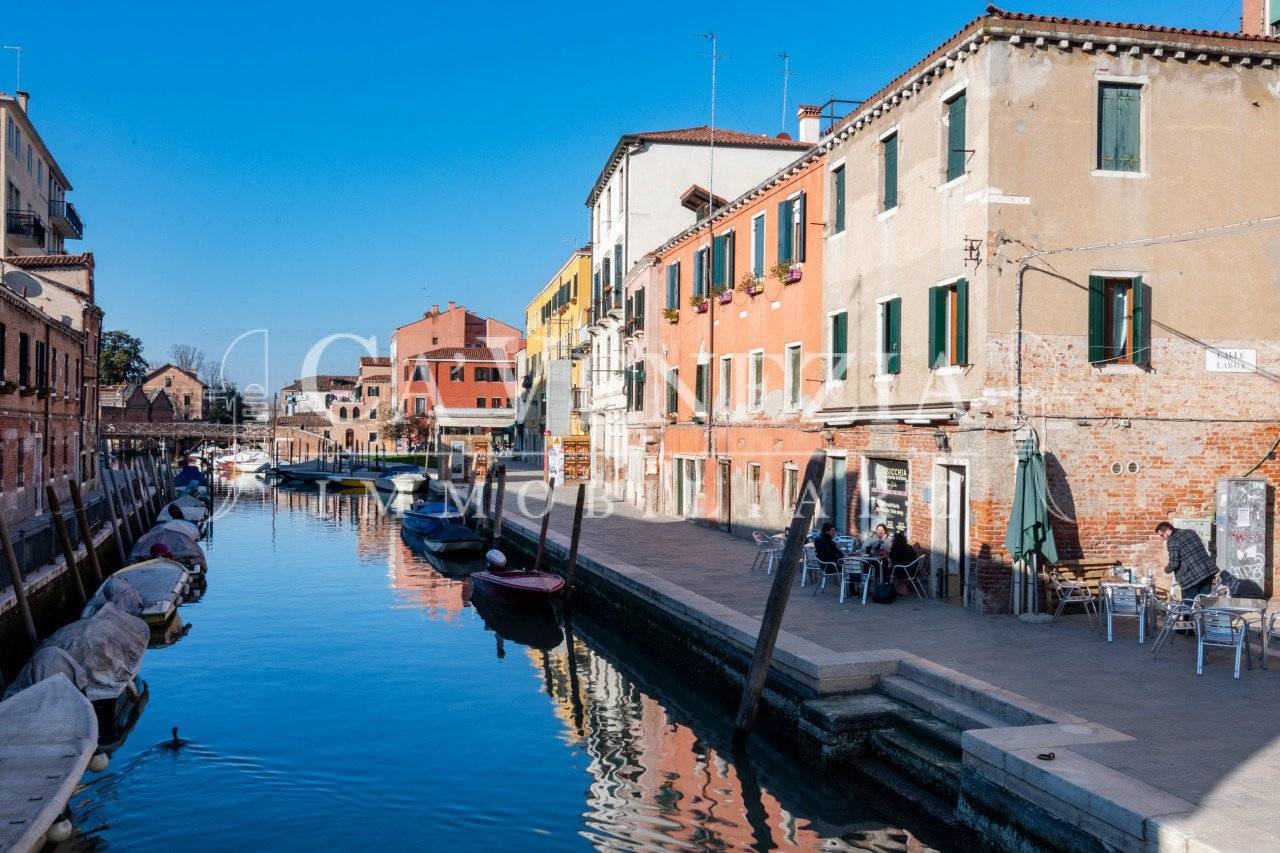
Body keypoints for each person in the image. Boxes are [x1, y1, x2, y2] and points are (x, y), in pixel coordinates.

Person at [1156, 521, 1218, 601]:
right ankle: (1203, 613)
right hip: (1207, 573)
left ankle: (1189, 613)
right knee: (1204, 603)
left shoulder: (1172, 540)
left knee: (1188, 606)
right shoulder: (1190, 531)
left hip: (1191, 578)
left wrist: (1167, 569)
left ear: (1168, 530)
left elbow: (1174, 563)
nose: (1163, 538)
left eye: (1162, 535)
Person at [887, 531, 918, 596]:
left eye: (893, 540)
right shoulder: (909, 547)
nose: (892, 541)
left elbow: (892, 560)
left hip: (904, 571)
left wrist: (888, 554)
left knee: (885, 569)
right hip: (914, 570)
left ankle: (887, 588)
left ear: (896, 541)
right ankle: (899, 588)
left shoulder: (896, 549)